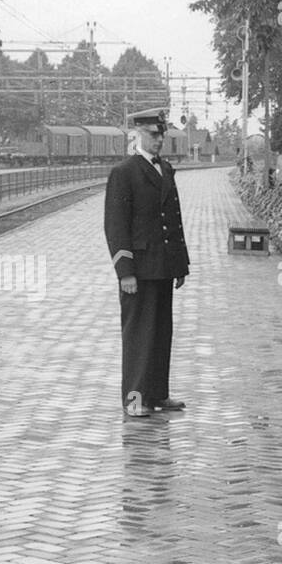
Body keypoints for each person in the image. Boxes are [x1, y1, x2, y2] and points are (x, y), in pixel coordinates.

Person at [104, 108, 191, 418]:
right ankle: (135, 399)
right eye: (154, 134)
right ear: (138, 134)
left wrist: (180, 265)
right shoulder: (124, 172)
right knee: (139, 334)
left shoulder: (165, 170)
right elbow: (115, 226)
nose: (159, 140)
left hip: (163, 266)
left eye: (161, 134)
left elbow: (173, 221)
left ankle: (157, 394)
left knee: (160, 332)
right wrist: (124, 271)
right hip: (138, 269)